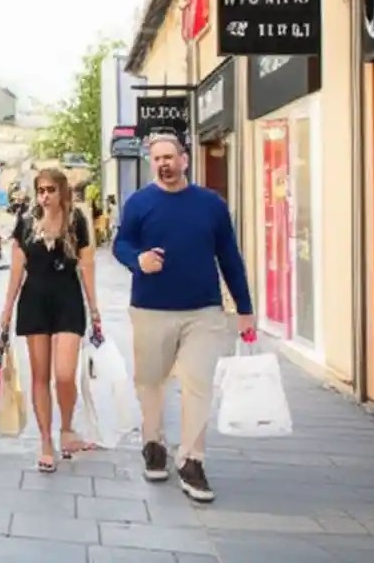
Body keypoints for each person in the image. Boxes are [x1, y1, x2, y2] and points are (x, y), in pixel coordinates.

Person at [113, 133, 254, 503]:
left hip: (202, 311)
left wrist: (245, 309)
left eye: (169, 157)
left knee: (197, 383)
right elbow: (121, 244)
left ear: (184, 159)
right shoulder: (139, 203)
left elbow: (229, 256)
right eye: (157, 158)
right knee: (150, 381)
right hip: (151, 309)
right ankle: (154, 444)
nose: (164, 164)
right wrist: (138, 260)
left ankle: (192, 460)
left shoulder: (211, 205)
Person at [0, 167, 101, 472]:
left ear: (62, 191)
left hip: (68, 299)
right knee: (40, 374)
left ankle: (66, 428)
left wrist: (95, 308)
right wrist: (7, 309)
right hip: (34, 300)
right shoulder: (27, 221)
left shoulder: (76, 220)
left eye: (50, 190)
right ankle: (45, 440)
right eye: (40, 190)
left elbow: (87, 266)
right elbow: (17, 268)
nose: (45, 196)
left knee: (65, 374)